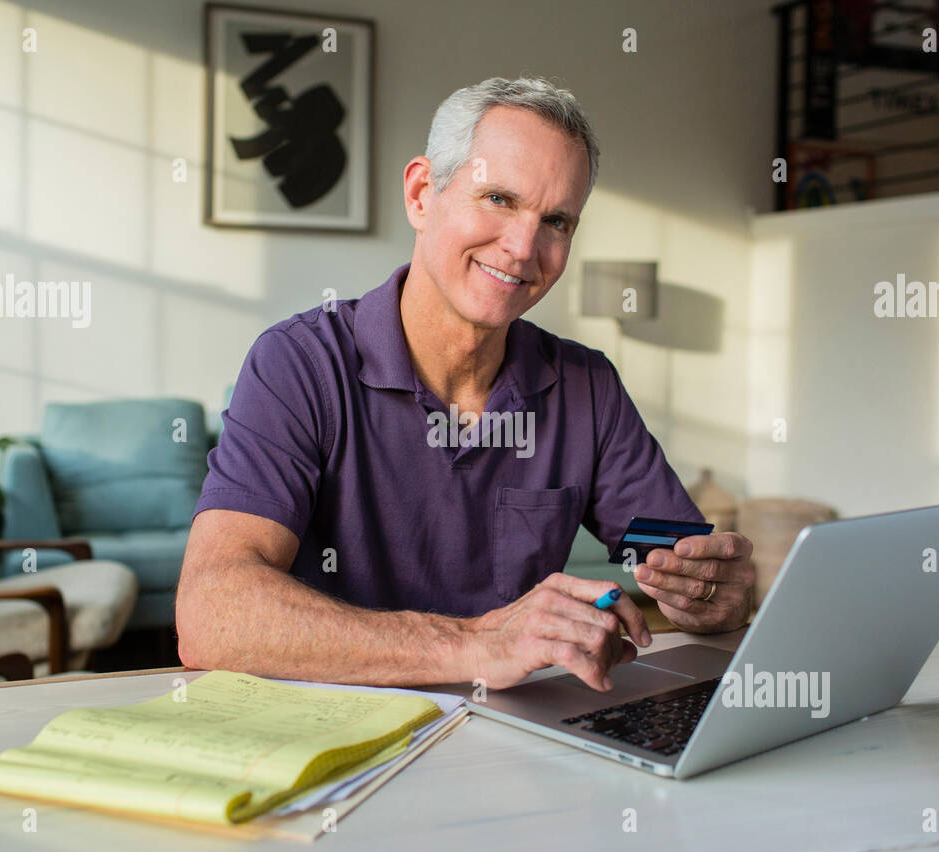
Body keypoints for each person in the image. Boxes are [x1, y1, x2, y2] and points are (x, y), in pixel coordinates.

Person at [176, 76, 754, 693]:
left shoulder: (587, 388)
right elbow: (212, 613)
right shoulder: (298, 364)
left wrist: (711, 594)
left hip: (521, 737)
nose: (523, 247)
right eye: (499, 199)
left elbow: (671, 556)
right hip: (338, 741)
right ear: (423, 194)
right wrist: (477, 645)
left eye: (556, 220)